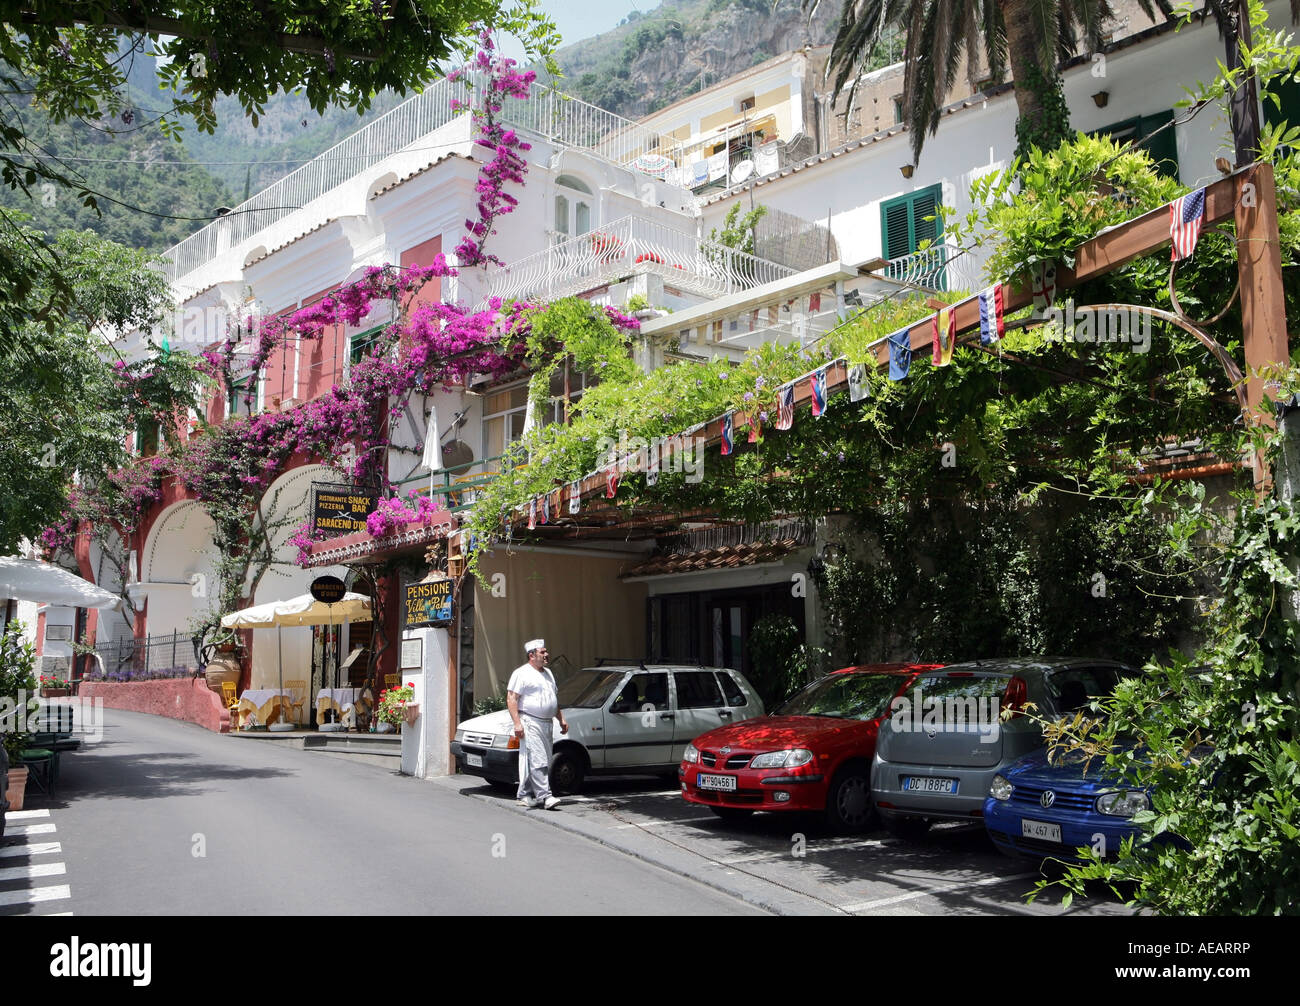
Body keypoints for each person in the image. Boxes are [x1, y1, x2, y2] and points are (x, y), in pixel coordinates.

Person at [507, 638, 569, 810]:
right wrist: (517, 723)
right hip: (530, 721)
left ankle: (524, 794)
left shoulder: (548, 673)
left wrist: (561, 719)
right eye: (542, 652)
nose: (547, 654)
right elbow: (511, 699)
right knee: (538, 759)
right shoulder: (521, 673)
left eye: (546, 651)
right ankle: (545, 796)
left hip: (547, 723)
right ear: (531, 655)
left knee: (542, 760)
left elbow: (553, 699)